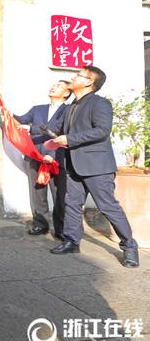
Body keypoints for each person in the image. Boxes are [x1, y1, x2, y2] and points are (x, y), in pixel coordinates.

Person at [44, 65, 139, 268]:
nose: (74, 77)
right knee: (71, 204)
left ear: (89, 82)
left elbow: (102, 131)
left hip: (97, 165)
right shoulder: (69, 107)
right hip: (73, 164)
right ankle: (71, 241)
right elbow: (55, 129)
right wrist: (24, 126)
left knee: (108, 206)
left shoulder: (100, 103)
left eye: (79, 75)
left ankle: (130, 246)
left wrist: (69, 138)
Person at [13, 81, 70, 239]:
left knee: (59, 194)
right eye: (53, 85)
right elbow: (20, 121)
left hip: (57, 158)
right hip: (35, 156)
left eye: (58, 86)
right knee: (37, 191)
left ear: (66, 93)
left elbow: (61, 130)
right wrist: (4, 110)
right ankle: (40, 224)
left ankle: (61, 228)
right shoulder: (38, 109)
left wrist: (32, 129)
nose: (53, 87)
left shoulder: (69, 110)